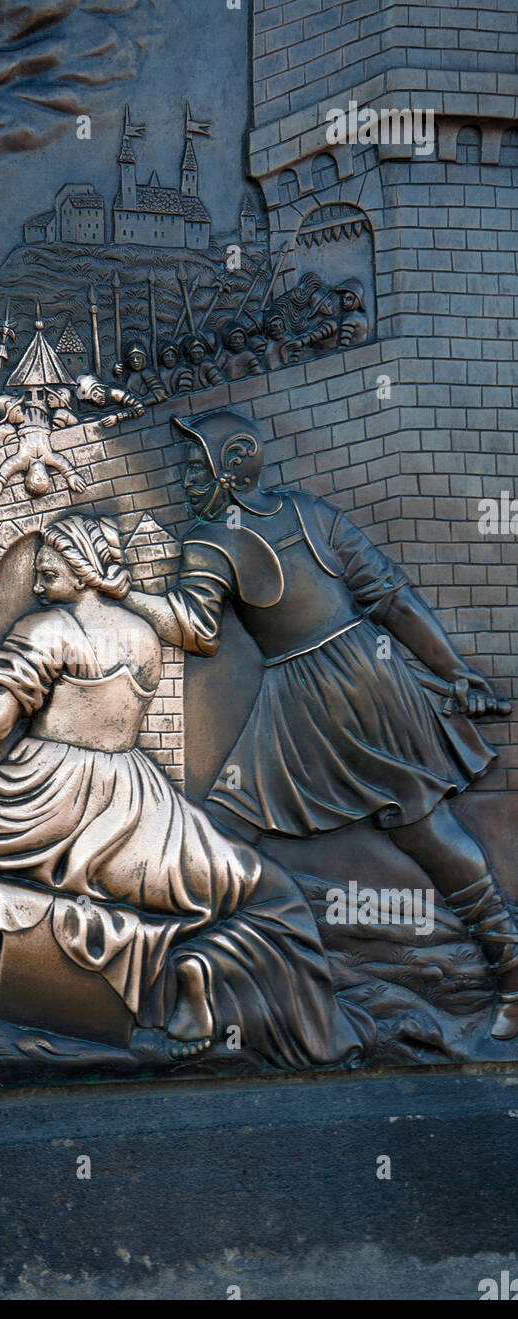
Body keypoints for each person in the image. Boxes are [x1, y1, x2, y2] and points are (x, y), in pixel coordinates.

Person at [0, 516, 374, 1068]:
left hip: (45, 807)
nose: (36, 584)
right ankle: (200, 966)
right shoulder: (141, 632)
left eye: (48, 570)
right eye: (36, 574)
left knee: (226, 890)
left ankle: (183, 967)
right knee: (266, 891)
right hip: (134, 799)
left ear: (81, 568)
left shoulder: (47, 629)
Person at [121, 408, 518, 1040]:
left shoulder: (210, 541)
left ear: (231, 467)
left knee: (229, 830)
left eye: (196, 464)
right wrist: (455, 668)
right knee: (424, 831)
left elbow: (196, 630)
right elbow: (391, 599)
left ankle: (188, 981)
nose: (186, 475)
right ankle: (208, 977)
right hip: (371, 675)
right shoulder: (311, 512)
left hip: (310, 697)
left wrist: (126, 595)